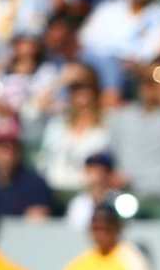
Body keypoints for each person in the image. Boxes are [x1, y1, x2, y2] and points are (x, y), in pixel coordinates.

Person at [106, 60, 160, 201]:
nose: (148, 87)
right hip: (128, 194)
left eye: (154, 82)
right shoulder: (122, 116)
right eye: (144, 81)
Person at [78, 0, 160, 97]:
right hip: (101, 62)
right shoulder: (108, 9)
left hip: (137, 66)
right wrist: (117, 57)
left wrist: (132, 60)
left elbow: (153, 48)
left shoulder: (159, 13)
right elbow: (87, 38)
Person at [39, 65, 111, 193]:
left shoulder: (106, 127)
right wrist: (60, 81)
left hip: (87, 194)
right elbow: (33, 112)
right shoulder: (56, 125)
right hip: (52, 192)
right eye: (75, 89)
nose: (81, 94)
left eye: (87, 87)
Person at [0, 121, 54, 218]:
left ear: (19, 151)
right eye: (2, 146)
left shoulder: (36, 184)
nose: (8, 153)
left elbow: (38, 221)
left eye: (13, 146)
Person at [66, 151, 121, 230]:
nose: (95, 176)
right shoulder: (78, 203)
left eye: (100, 171)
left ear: (109, 174)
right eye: (91, 171)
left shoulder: (119, 201)